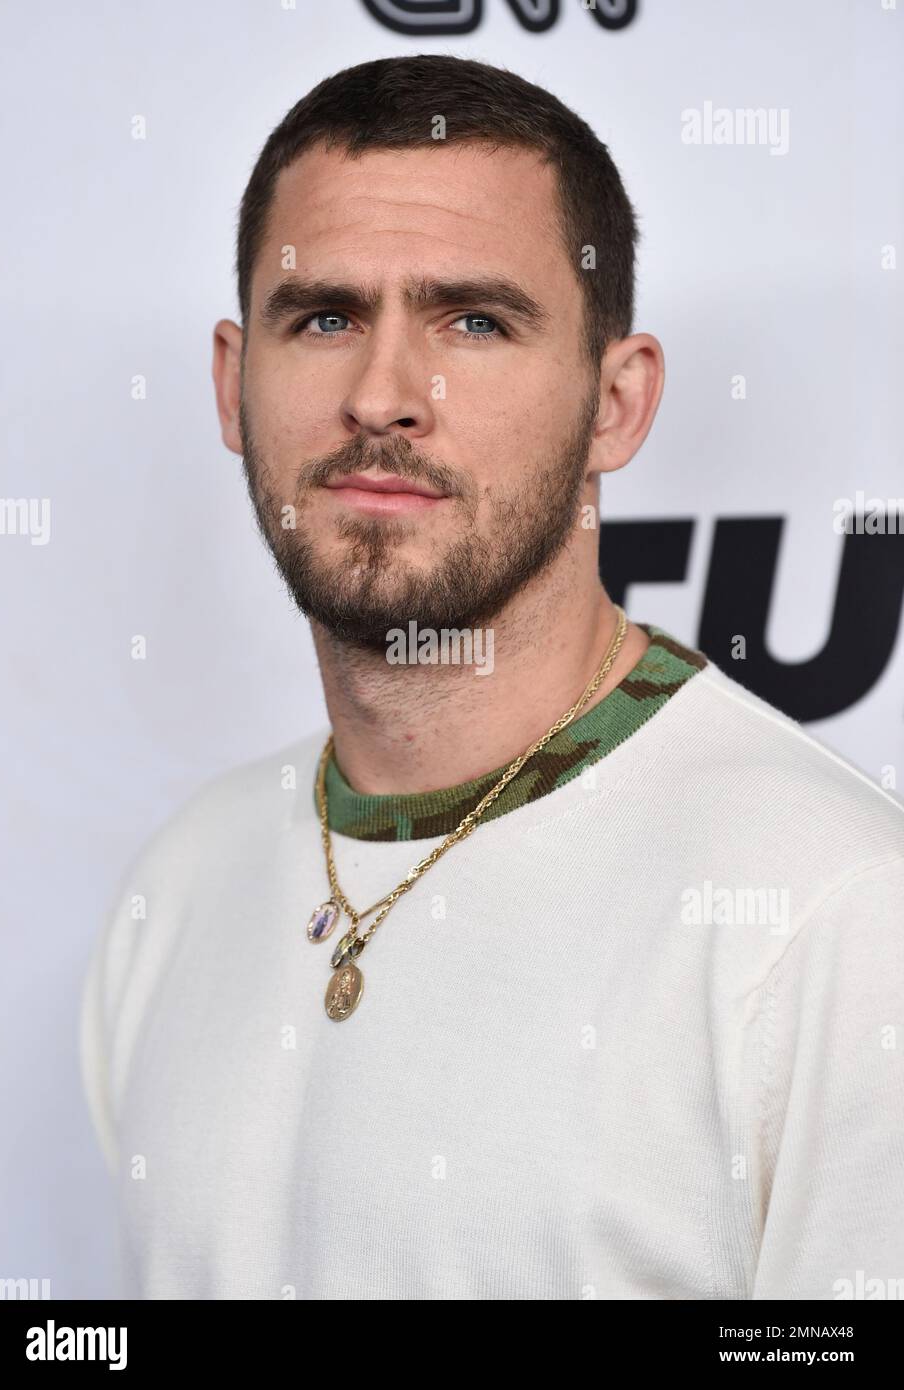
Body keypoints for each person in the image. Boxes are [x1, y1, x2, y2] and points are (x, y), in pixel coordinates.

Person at [80, 54, 904, 1301]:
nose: (382, 397)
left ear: (615, 405)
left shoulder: (836, 915)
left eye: (475, 320)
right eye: (325, 317)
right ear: (230, 384)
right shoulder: (176, 887)